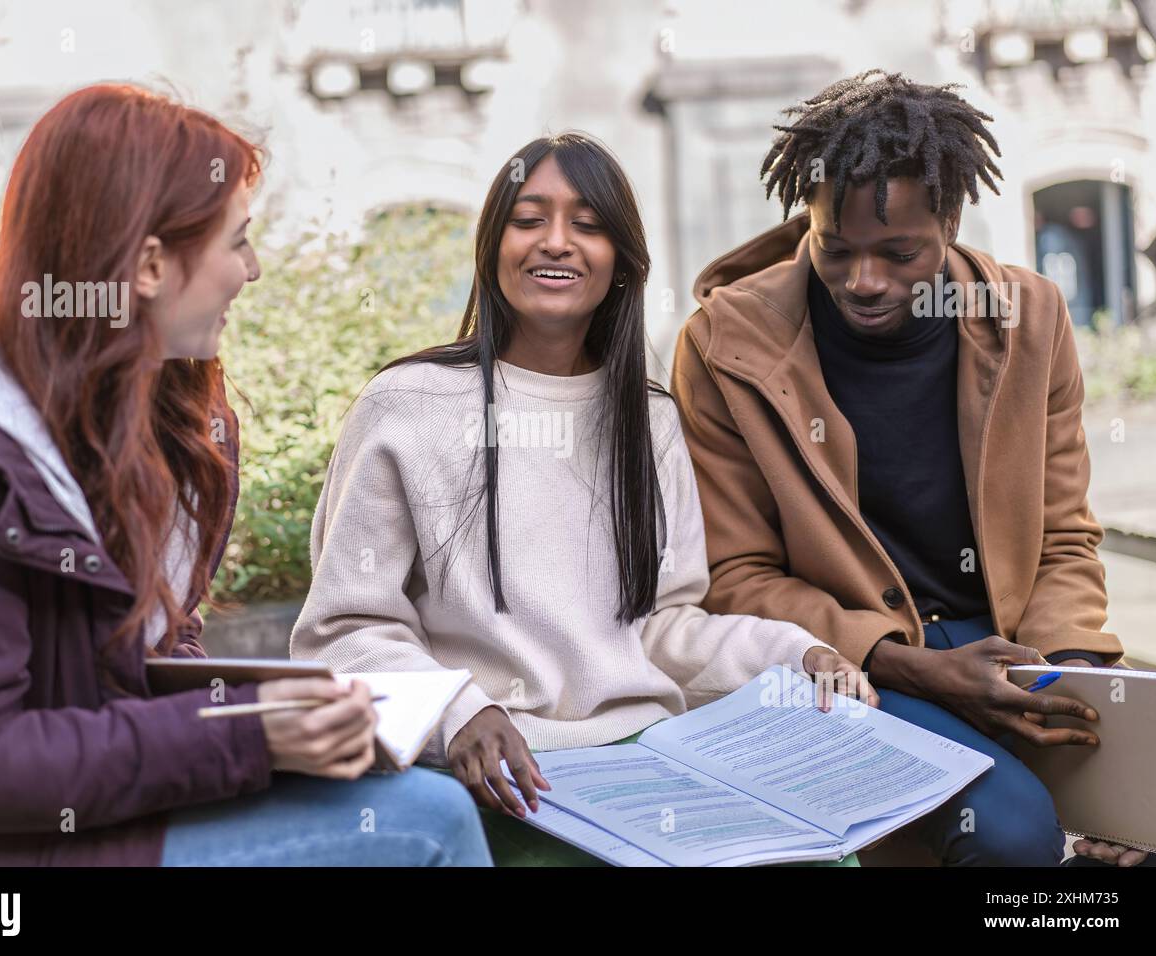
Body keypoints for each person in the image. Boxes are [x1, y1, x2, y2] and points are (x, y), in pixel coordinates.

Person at [0, 83, 489, 867]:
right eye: (237, 242)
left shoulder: (138, 417)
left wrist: (270, 710)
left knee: (405, 790)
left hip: (98, 817)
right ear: (152, 264)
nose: (254, 271)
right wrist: (245, 735)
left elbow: (141, 655)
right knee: (426, 822)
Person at [291, 131, 871, 866]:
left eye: (588, 225)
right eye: (529, 219)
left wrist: (797, 652)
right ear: (492, 244)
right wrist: (459, 710)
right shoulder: (407, 404)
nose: (556, 243)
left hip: (651, 759)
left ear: (623, 263)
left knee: (825, 859)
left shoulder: (650, 418)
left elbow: (661, 627)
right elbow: (342, 630)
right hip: (506, 776)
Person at [670, 70, 1140, 866]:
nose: (864, 282)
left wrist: (1072, 682)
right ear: (805, 221)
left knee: (1140, 821)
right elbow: (734, 576)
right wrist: (910, 663)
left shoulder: (1030, 319)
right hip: (841, 662)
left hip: (1013, 650)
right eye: (835, 249)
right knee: (1012, 837)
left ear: (952, 220)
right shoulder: (724, 345)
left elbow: (1063, 536)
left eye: (899, 253)